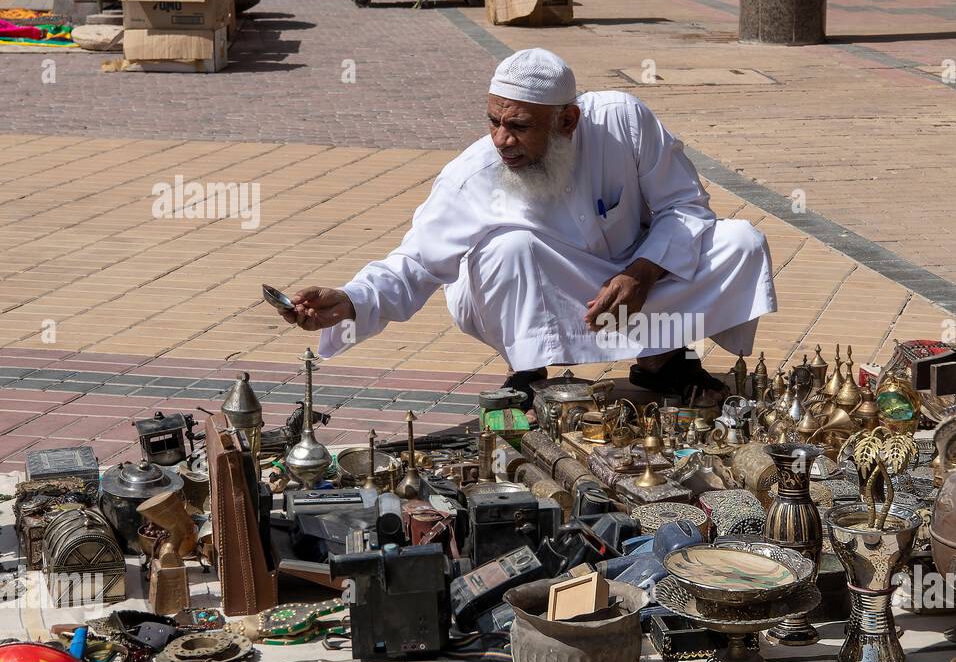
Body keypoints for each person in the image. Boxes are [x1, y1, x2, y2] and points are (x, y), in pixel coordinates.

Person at [278, 48, 776, 409]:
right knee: (506, 248)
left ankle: (661, 361)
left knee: (741, 243)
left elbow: (685, 205)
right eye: (494, 121)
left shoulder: (624, 121)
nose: (501, 139)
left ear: (568, 121)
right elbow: (415, 263)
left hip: (635, 279)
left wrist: (643, 273)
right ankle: (529, 372)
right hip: (546, 282)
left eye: (518, 126)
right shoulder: (472, 174)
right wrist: (351, 300)